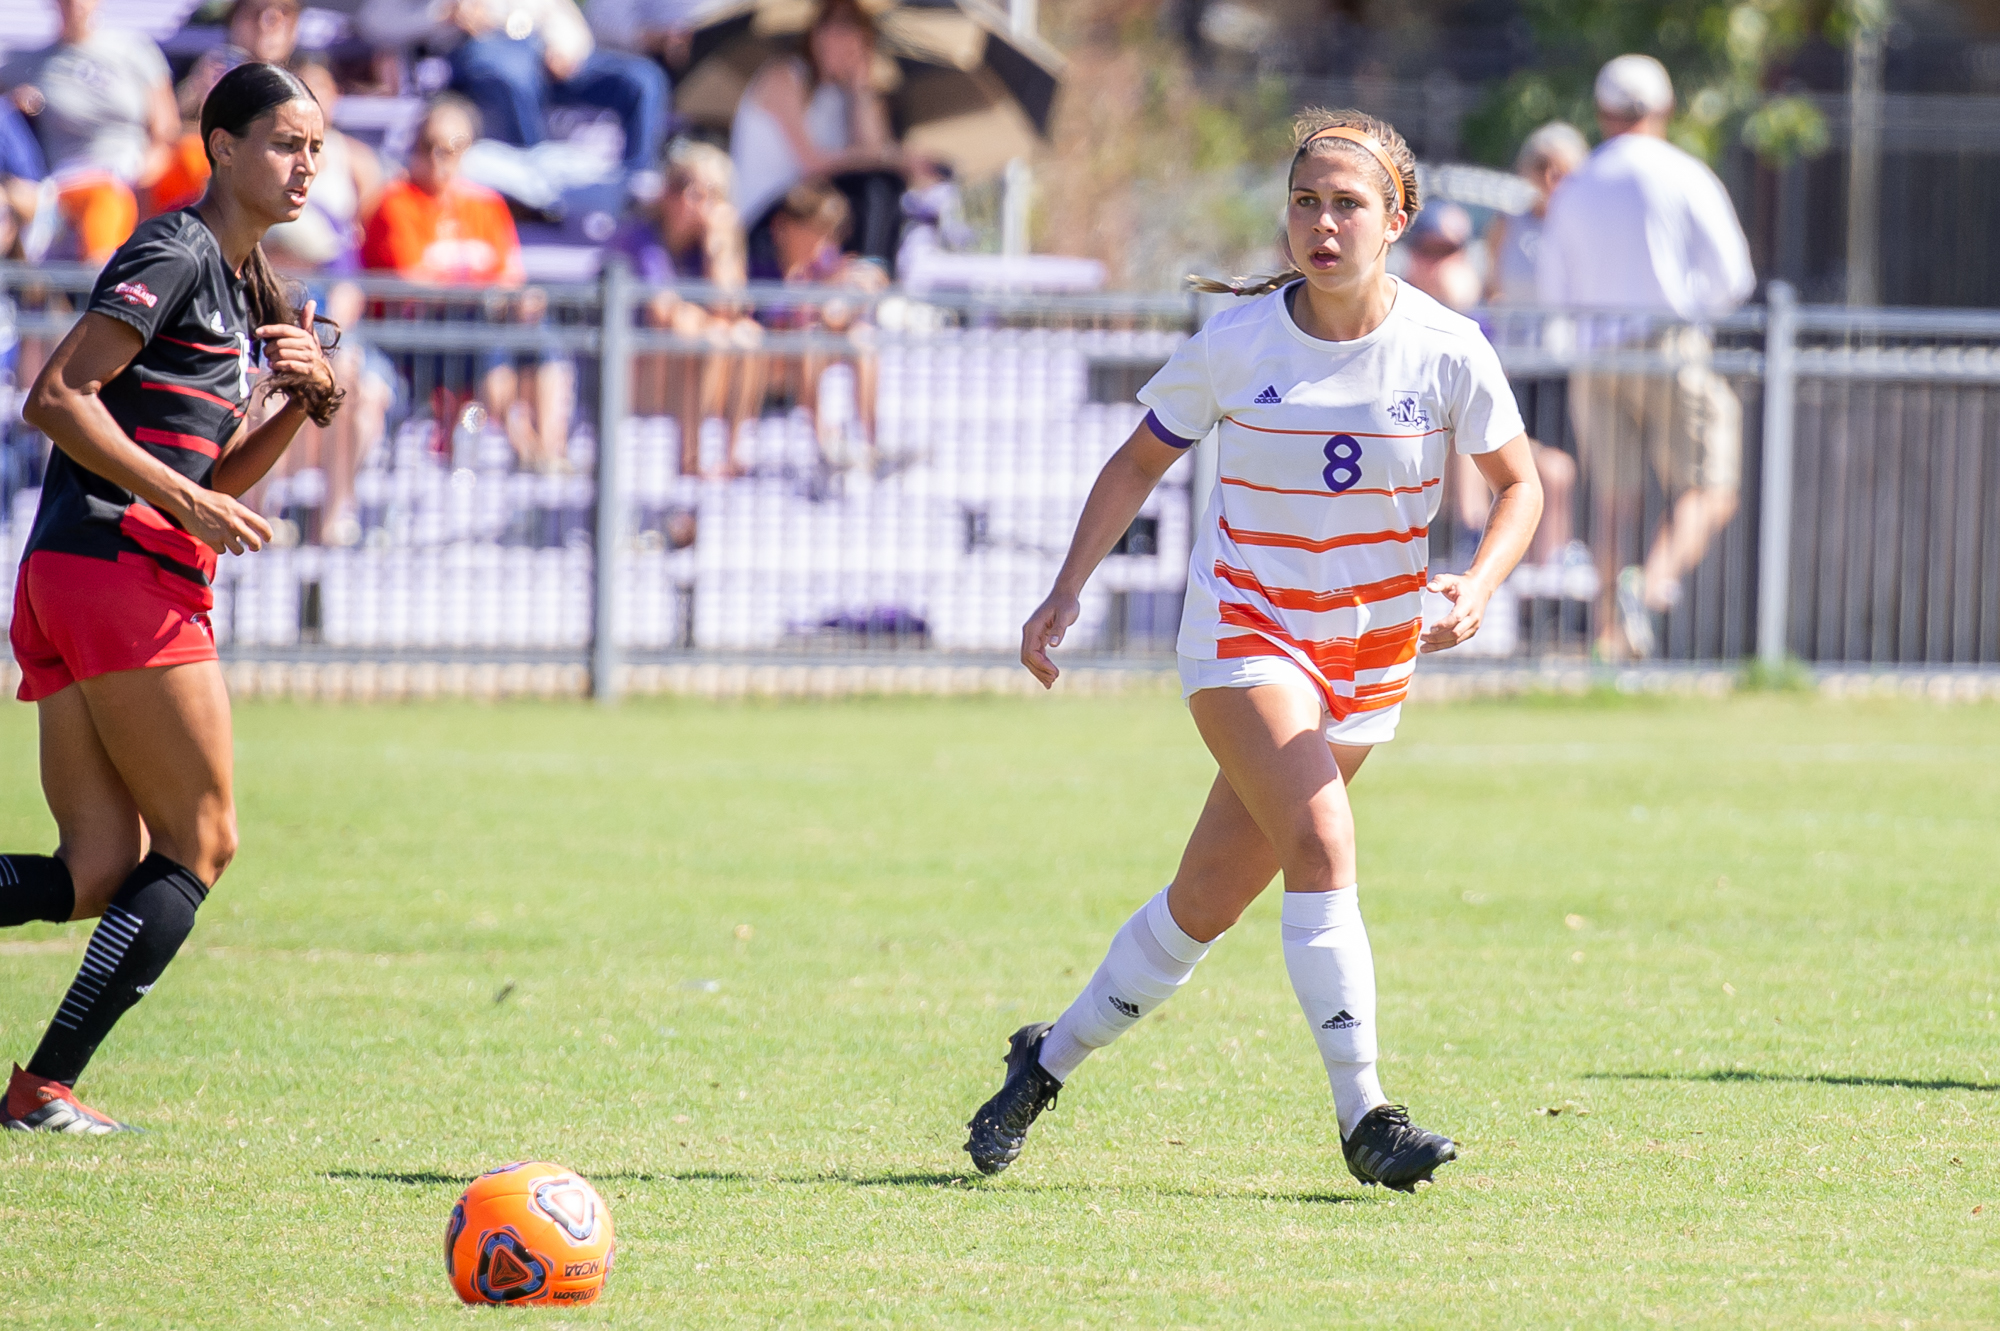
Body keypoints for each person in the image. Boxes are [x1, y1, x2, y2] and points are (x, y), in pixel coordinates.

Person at [964, 109, 1543, 1190]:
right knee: (1323, 838)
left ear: (1395, 220)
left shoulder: (1445, 347)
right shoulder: (1236, 343)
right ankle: (1364, 1113)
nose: (1322, 223)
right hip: (1245, 636)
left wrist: (1478, 580)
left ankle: (1040, 1063)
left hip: (1368, 657)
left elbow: (1520, 484)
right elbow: (1136, 465)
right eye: (1304, 202)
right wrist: (1061, 592)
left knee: (1202, 905)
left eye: (1347, 203)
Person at [0, 61, 339, 1133]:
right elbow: (55, 396)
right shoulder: (175, 248)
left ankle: (39, 1089)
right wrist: (181, 501)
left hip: (75, 571)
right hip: (120, 569)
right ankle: (43, 1087)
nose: (306, 164)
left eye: (317, 147)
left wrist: (305, 400)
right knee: (202, 842)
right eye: (286, 141)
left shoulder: (245, 290)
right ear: (222, 146)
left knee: (99, 865)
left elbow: (214, 472)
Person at [1537, 55, 1755, 659]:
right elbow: (1733, 277)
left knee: (1613, 499)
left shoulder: (1577, 184)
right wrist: (1691, 314)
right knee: (1710, 486)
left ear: (1604, 112)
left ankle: (1610, 636)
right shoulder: (1685, 173)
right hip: (1670, 344)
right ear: (1666, 108)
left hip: (1595, 351)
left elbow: (1554, 289)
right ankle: (1652, 585)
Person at [360, 0, 668, 179]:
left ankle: (639, 183)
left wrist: (565, 47)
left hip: (545, 52)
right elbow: (373, 21)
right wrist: (444, 12)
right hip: (480, 52)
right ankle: (538, 187)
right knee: (509, 76)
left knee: (644, 79)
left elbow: (562, 16)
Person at [730, 0, 905, 277]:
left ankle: (868, 274)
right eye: (830, 26)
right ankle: (868, 273)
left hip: (815, 210)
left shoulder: (841, 95)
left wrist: (860, 86)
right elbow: (813, 164)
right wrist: (896, 158)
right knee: (875, 183)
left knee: (883, 184)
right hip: (765, 217)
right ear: (814, 31)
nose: (838, 38)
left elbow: (872, 154)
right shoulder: (783, 76)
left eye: (850, 28)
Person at [0, 0, 179, 262]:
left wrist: (141, 175)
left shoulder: (135, 51)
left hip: (136, 169)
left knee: (194, 157)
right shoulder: (26, 63)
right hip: (72, 179)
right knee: (104, 198)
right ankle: (104, 291)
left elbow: (166, 129)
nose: (75, 5)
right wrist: (16, 101)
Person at [1484, 121, 1587, 308]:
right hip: (1515, 333)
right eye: (1541, 167)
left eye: (1560, 171)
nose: (1548, 179)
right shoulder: (1506, 224)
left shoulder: (1587, 230)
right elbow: (1491, 287)